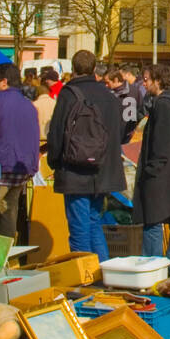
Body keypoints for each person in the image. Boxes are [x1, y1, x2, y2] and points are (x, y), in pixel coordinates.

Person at [46, 50, 121, 260]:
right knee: (94, 223)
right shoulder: (108, 95)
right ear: (94, 68)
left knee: (79, 230)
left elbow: (57, 132)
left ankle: (85, 282)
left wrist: (55, 162)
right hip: (102, 170)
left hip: (75, 169)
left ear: (74, 68)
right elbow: (118, 132)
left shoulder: (69, 94)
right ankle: (103, 273)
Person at [134, 64, 170, 273]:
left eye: (147, 79)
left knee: (154, 220)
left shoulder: (164, 105)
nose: (144, 82)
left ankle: (154, 268)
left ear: (158, 80)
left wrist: (151, 170)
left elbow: (162, 142)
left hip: (164, 172)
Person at [0, 63, 40, 239]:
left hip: (0, 165)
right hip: (22, 166)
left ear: (4, 81)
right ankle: (7, 255)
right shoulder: (29, 105)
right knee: (10, 213)